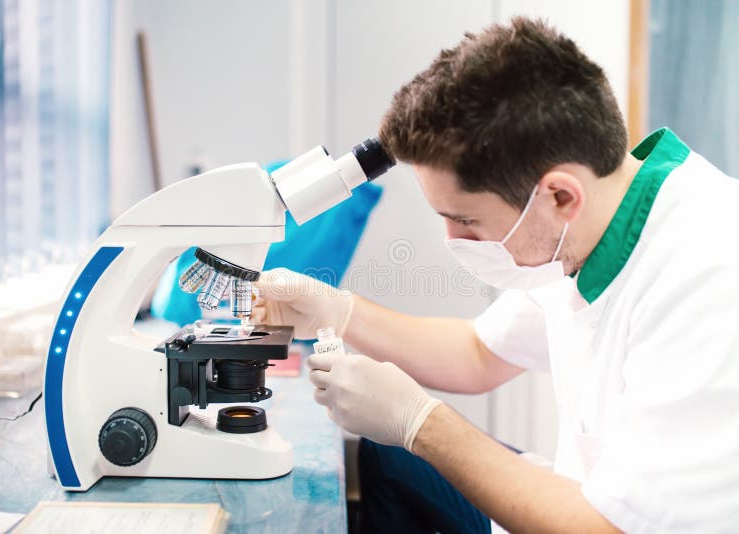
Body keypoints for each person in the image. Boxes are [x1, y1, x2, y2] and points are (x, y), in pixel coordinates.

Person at [251, 17, 739, 533]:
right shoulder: (589, 224)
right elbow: (479, 354)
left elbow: (611, 528)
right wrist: (337, 311)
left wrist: (420, 423)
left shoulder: (709, 276)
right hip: (583, 498)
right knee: (386, 461)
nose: (454, 242)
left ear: (558, 196)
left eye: (466, 221)